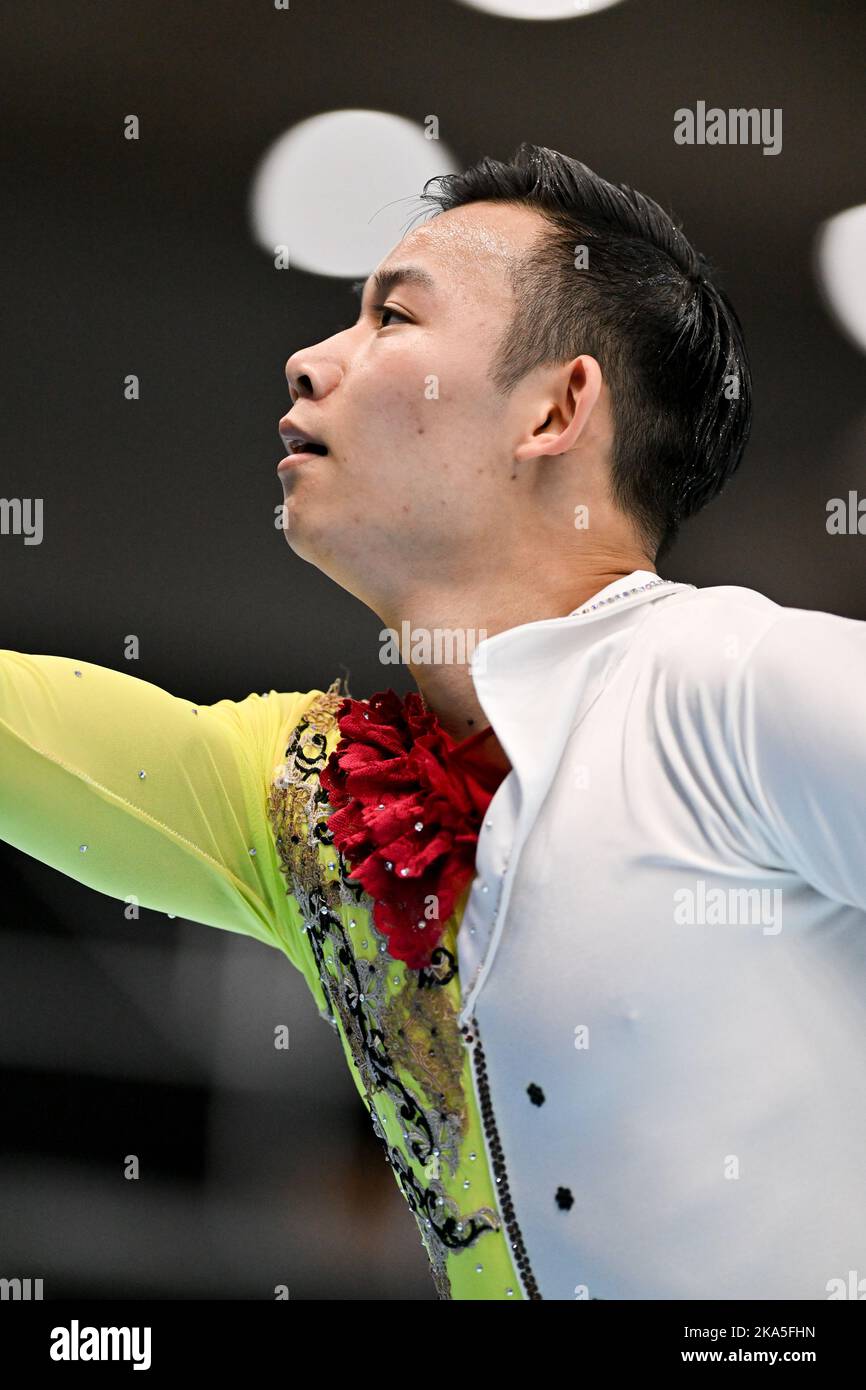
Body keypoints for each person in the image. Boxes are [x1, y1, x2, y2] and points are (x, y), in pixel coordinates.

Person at [3, 143, 865, 1301]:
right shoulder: (311, 800)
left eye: (390, 319)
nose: (309, 360)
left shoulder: (731, 688)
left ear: (555, 408)